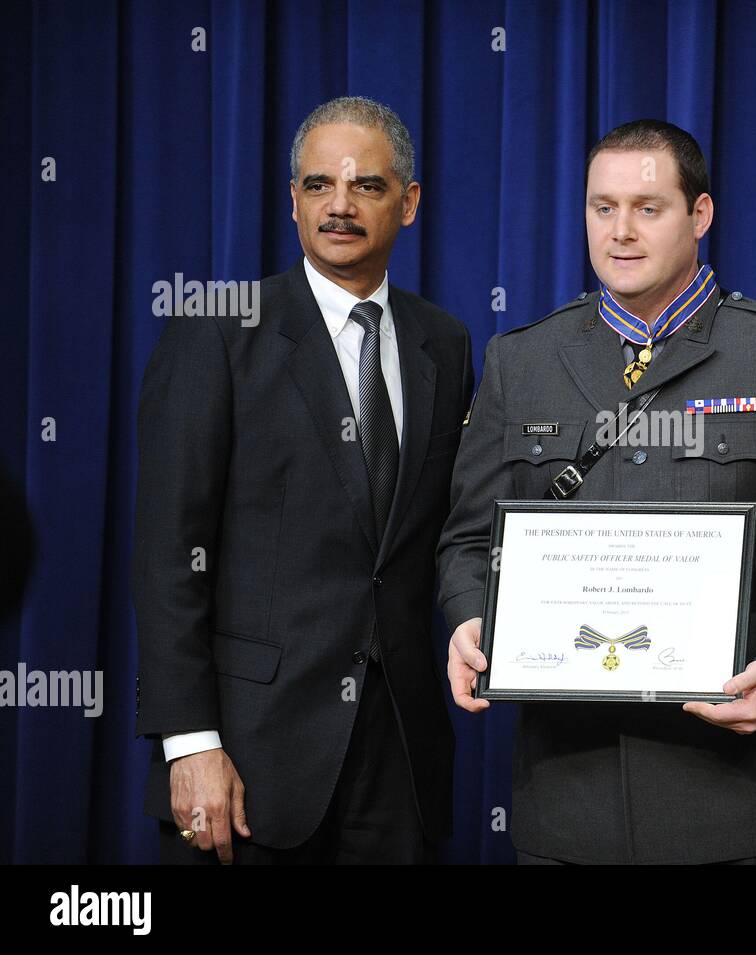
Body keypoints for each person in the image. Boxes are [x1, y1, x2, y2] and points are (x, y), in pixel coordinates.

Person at [436, 119, 756, 864]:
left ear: (699, 216)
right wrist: (469, 619)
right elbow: (468, 540)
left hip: (736, 802)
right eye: (602, 207)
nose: (621, 232)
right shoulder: (521, 359)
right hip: (567, 804)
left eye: (648, 207)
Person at [133, 96, 472, 864]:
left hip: (400, 765)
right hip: (248, 762)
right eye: (319, 185)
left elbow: (447, 534)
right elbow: (167, 554)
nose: (340, 207)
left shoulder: (443, 344)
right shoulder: (217, 330)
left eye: (368, 187)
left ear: (409, 202)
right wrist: (190, 744)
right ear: (293, 201)